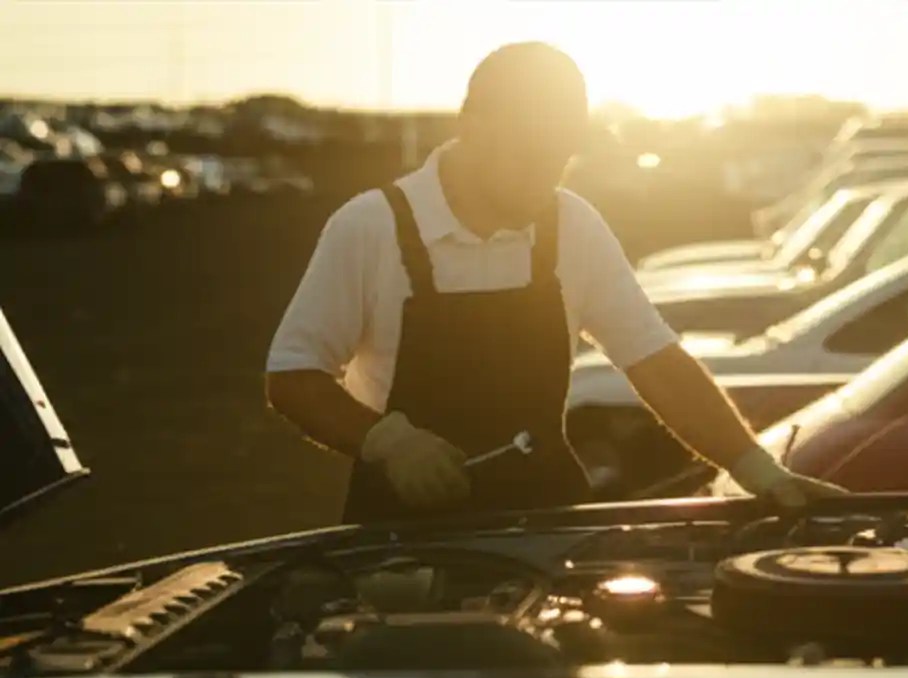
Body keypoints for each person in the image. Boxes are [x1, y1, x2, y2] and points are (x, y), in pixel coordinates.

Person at [264, 42, 848, 522]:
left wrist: (756, 469)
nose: (545, 178)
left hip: (543, 529)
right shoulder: (372, 227)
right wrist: (386, 443)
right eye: (529, 154)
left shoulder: (572, 225)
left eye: (560, 157)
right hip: (401, 542)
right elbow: (293, 376)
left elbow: (654, 358)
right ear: (473, 127)